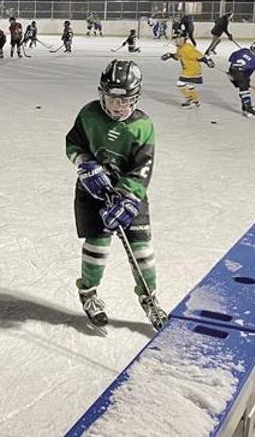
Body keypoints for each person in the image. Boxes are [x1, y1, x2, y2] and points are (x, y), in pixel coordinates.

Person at [65, 59, 165, 329]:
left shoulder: (143, 126)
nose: (117, 107)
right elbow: (73, 143)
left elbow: (144, 166)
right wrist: (85, 165)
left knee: (142, 252)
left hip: (131, 195)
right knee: (97, 246)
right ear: (102, 94)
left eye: (125, 100)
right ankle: (88, 292)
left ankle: (150, 298)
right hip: (92, 192)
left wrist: (129, 198)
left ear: (136, 97)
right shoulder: (88, 114)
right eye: (111, 99)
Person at [161, 34, 213, 108]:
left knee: (180, 83)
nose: (177, 41)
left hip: (192, 70)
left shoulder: (188, 47)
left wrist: (207, 61)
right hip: (189, 69)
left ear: (184, 39)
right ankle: (195, 101)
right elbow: (177, 57)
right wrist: (170, 55)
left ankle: (190, 99)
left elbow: (199, 56)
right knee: (190, 85)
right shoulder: (179, 48)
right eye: (176, 40)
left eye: (179, 39)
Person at [227, 40, 255, 117]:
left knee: (243, 87)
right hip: (240, 74)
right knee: (244, 89)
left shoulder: (244, 50)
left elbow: (230, 58)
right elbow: (247, 73)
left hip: (231, 70)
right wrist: (246, 81)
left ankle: (245, 105)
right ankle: (248, 107)